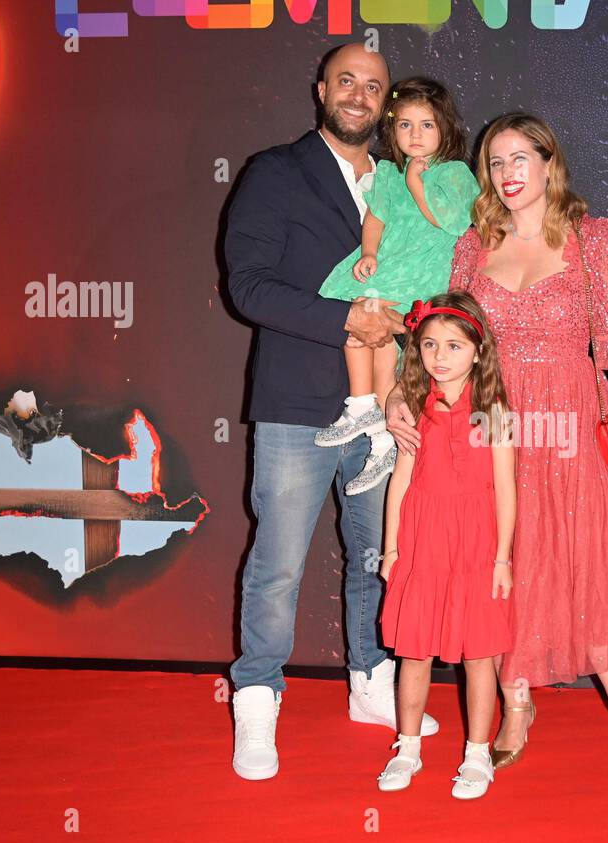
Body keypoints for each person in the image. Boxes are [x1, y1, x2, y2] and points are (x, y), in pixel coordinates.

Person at [386, 113, 608, 787]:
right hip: (496, 432)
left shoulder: (596, 238)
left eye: (520, 159)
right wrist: (402, 392)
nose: (508, 174)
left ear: (548, 163)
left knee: (589, 566)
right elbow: (444, 330)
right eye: (496, 163)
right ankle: (515, 708)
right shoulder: (473, 246)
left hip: (571, 425)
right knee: (507, 565)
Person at [222, 43, 438, 782]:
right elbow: (246, 287)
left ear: (385, 103)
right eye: (346, 81)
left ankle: (371, 684)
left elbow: (423, 271)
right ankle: (256, 695)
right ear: (321, 90)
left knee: (377, 557)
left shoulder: (404, 185)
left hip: (384, 403)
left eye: (373, 87)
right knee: (278, 564)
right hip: (296, 404)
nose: (359, 95)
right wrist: (346, 320)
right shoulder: (275, 172)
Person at [375, 292, 516, 799]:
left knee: (480, 652)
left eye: (454, 345)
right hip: (424, 538)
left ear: (478, 351)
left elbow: (507, 486)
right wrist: (391, 550)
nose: (440, 355)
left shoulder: (494, 409)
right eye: (430, 344)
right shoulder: (415, 407)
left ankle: (478, 754)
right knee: (413, 650)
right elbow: (401, 481)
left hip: (478, 541)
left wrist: (503, 557)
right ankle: (407, 748)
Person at [315, 77, 478, 497]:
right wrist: (369, 253)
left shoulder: (455, 173)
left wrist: (418, 185)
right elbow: (376, 219)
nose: (415, 135)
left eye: (426, 125)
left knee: (384, 330)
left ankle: (386, 430)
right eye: (405, 125)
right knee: (357, 324)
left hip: (424, 271)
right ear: (392, 129)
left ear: (445, 128)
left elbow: (453, 221)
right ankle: (362, 408)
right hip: (389, 264)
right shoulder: (388, 173)